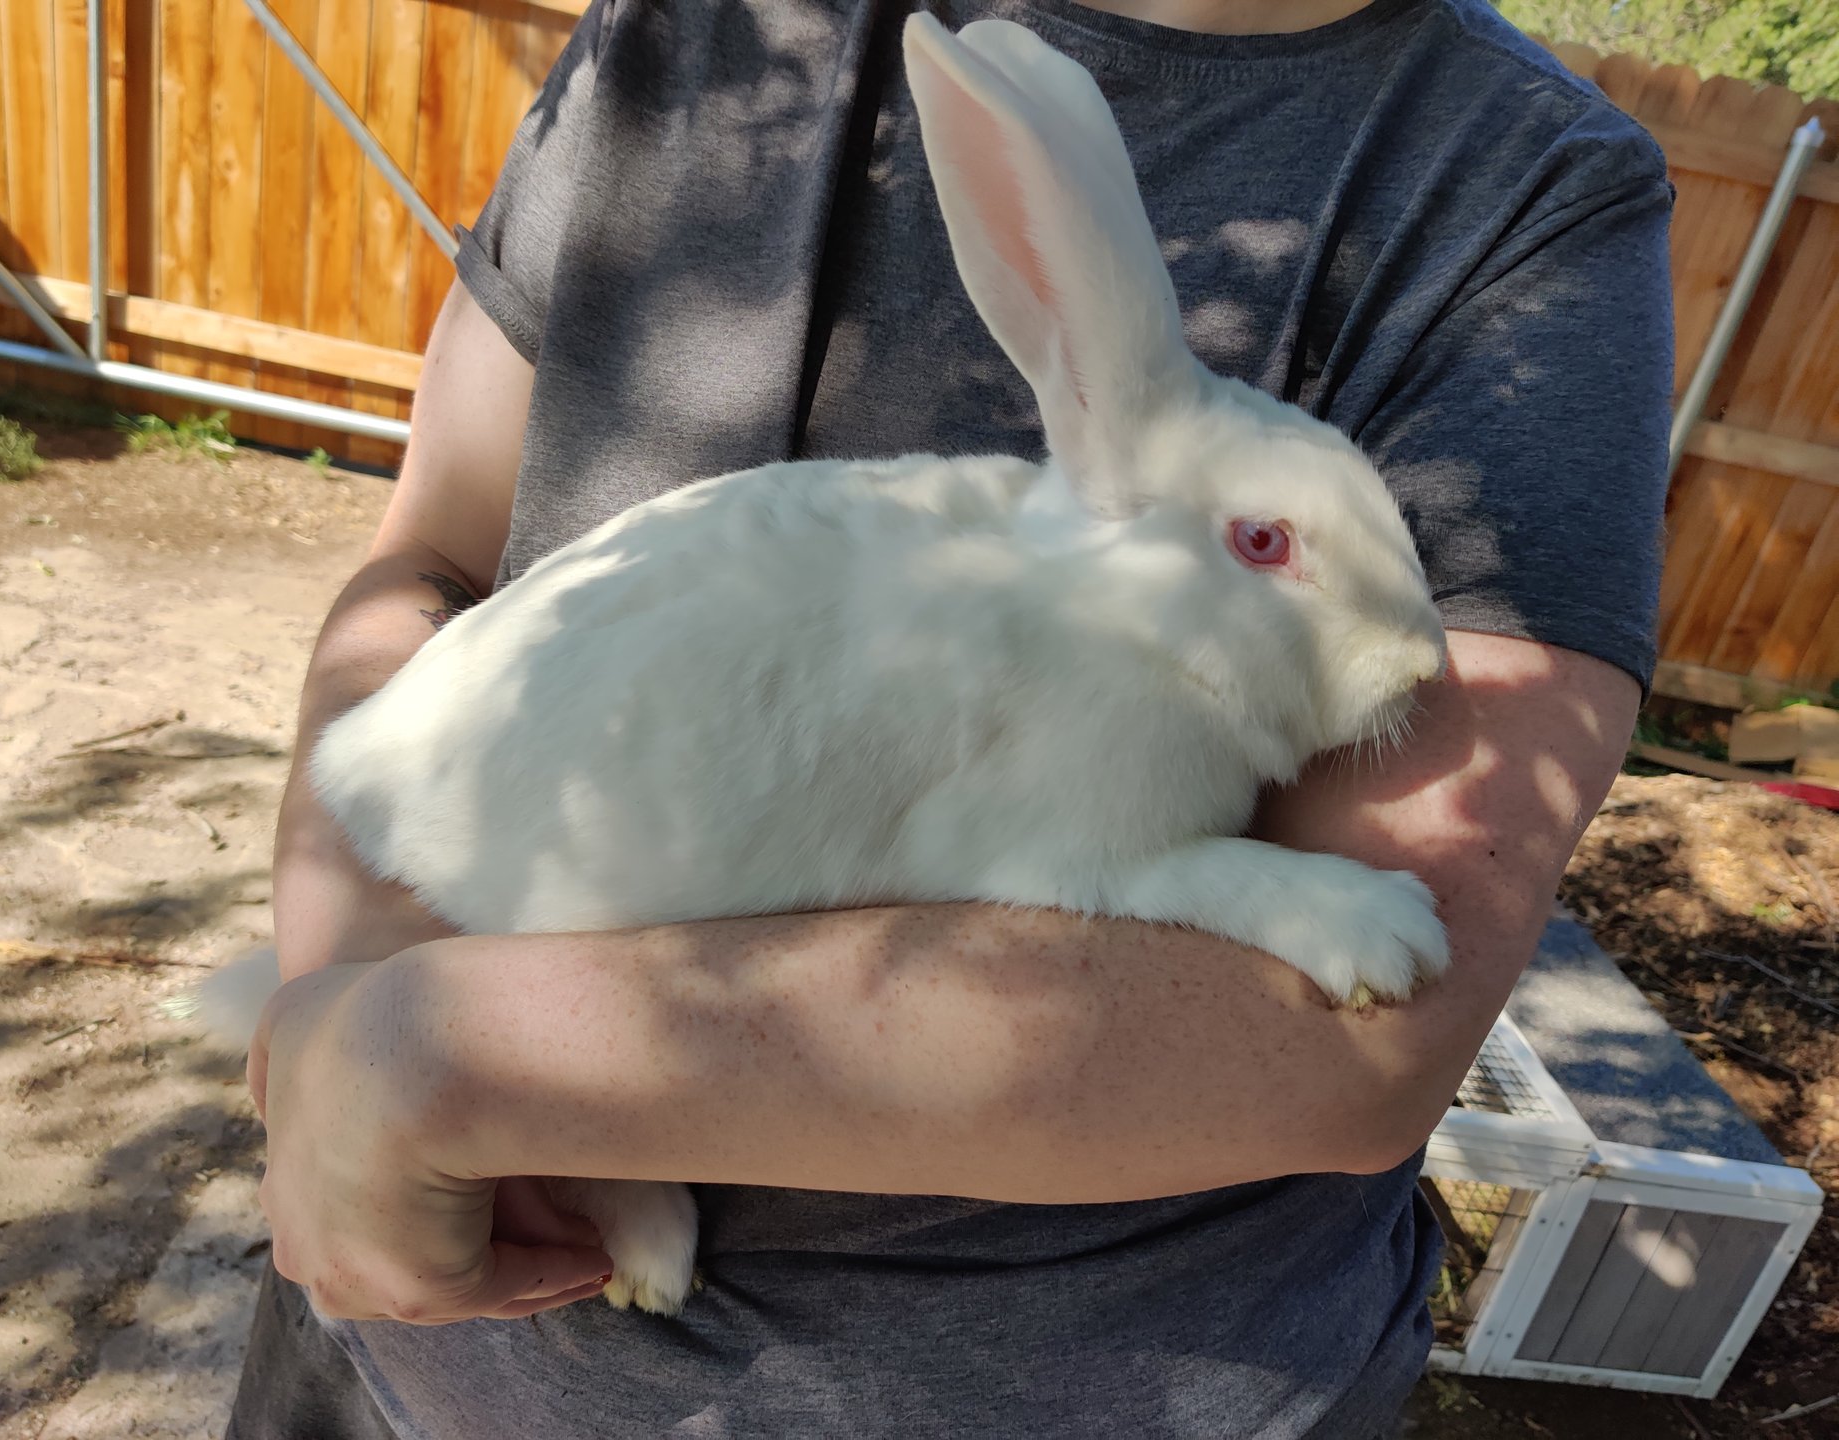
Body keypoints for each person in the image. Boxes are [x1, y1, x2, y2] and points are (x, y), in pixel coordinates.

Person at [226, 0, 1672, 1434]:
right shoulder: (690, 30)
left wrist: (435, 1055)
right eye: (1270, 551)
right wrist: (353, 1017)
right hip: (411, 1332)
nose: (1411, 663)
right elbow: (433, 555)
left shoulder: (1528, 190)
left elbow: (1363, 1045)